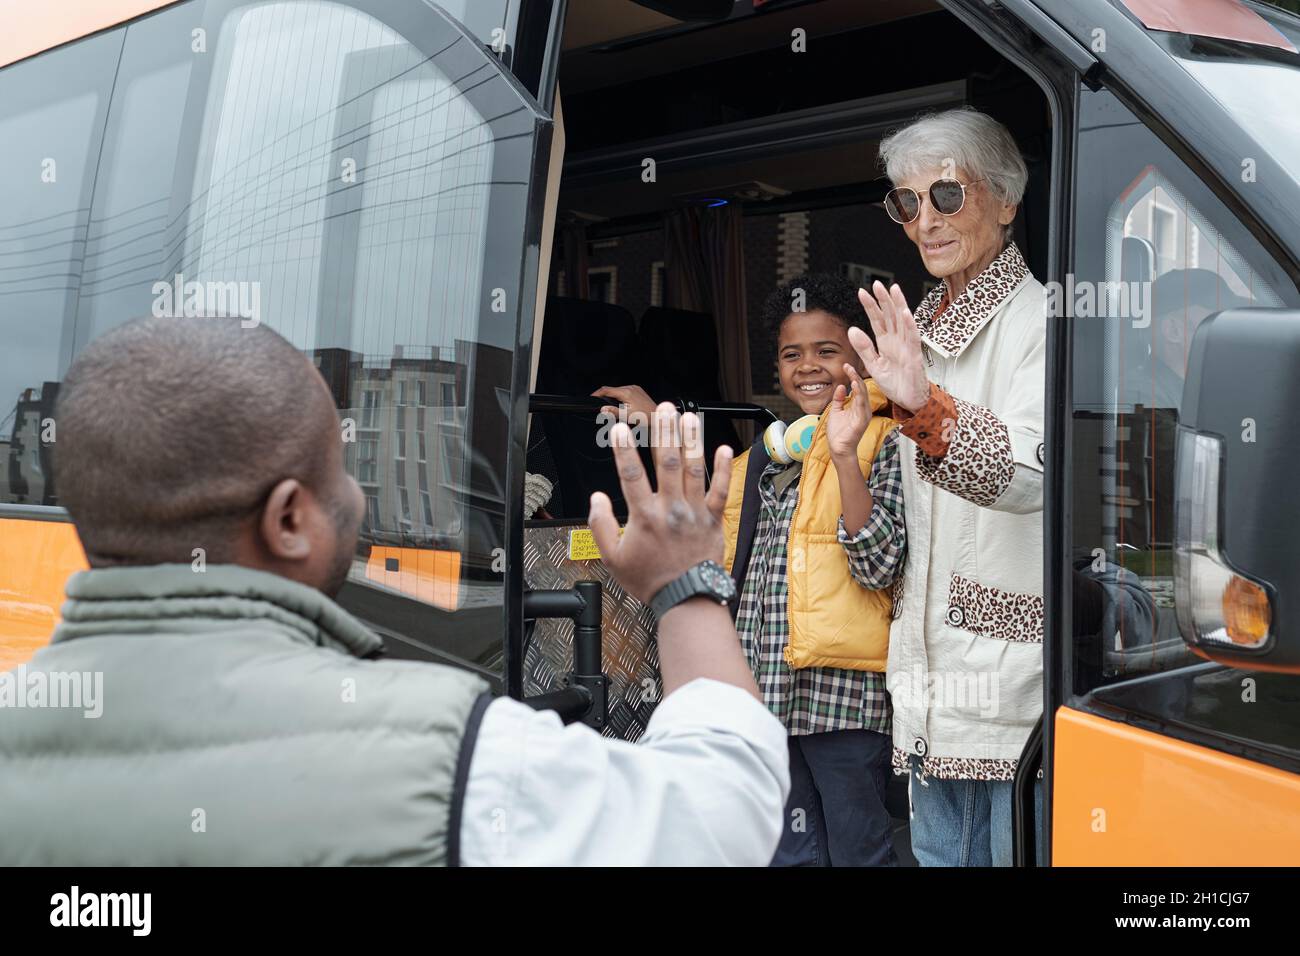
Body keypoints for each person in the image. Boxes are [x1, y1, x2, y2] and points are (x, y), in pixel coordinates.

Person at [0, 316, 789, 866]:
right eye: (340, 470)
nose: (359, 491)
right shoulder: (454, 753)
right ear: (290, 521)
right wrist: (686, 581)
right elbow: (722, 813)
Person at [599, 273, 907, 866]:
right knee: (788, 851)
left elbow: (878, 565)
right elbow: (705, 505)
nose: (808, 366)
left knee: (859, 848)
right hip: (767, 694)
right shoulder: (767, 455)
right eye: (792, 354)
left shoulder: (883, 442)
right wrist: (655, 418)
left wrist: (844, 457)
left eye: (827, 350)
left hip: (842, 698)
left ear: (858, 354)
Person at [850, 107, 1046, 866]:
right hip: (928, 697)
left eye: (946, 197)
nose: (923, 220)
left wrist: (923, 406)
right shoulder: (916, 330)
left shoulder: (1041, 320)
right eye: (906, 202)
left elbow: (1030, 473)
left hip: (1012, 695)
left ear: (1004, 200)